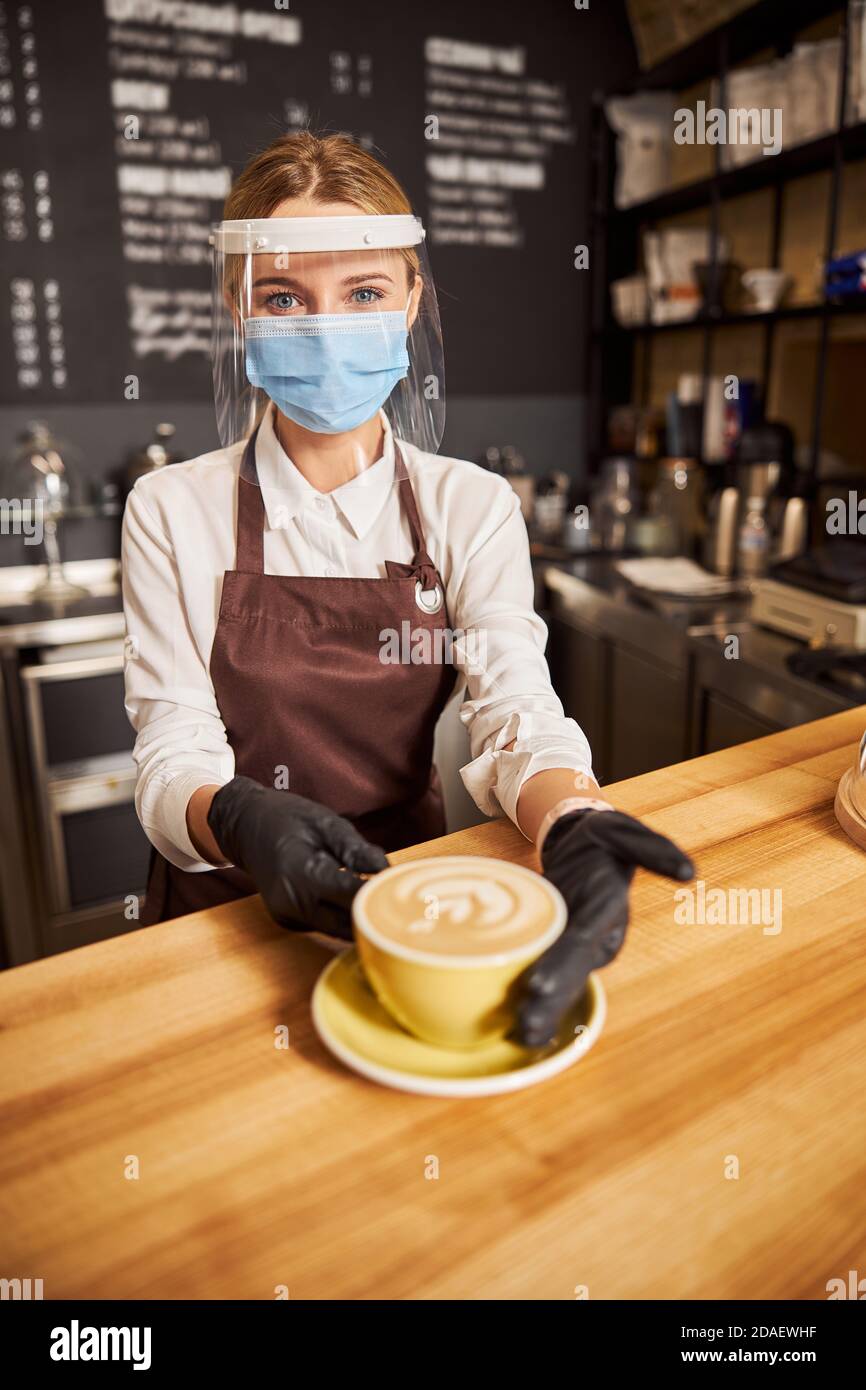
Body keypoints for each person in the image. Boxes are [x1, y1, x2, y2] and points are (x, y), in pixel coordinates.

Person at [122, 131, 693, 1046]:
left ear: (409, 299)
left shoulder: (470, 506)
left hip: (407, 903)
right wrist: (233, 813)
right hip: (222, 913)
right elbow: (172, 741)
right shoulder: (171, 508)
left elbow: (516, 710)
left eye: (362, 293)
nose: (323, 325)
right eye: (283, 296)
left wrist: (573, 816)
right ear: (240, 310)